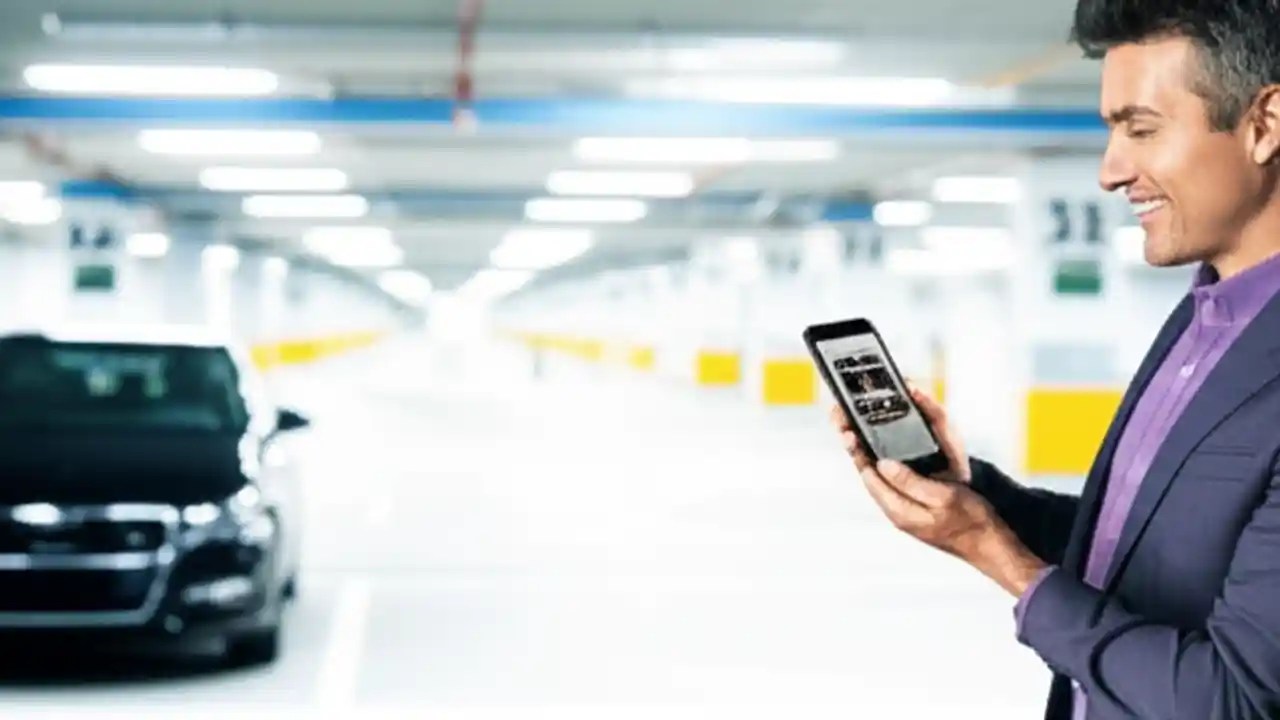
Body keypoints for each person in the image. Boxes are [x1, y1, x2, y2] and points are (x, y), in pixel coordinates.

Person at [830, 2, 1280, 718]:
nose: (1111, 171)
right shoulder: (1201, 319)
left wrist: (1000, 560)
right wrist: (980, 497)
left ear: (1264, 124)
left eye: (1140, 130)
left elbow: (1234, 701)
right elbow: (1140, 549)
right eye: (1111, 132)